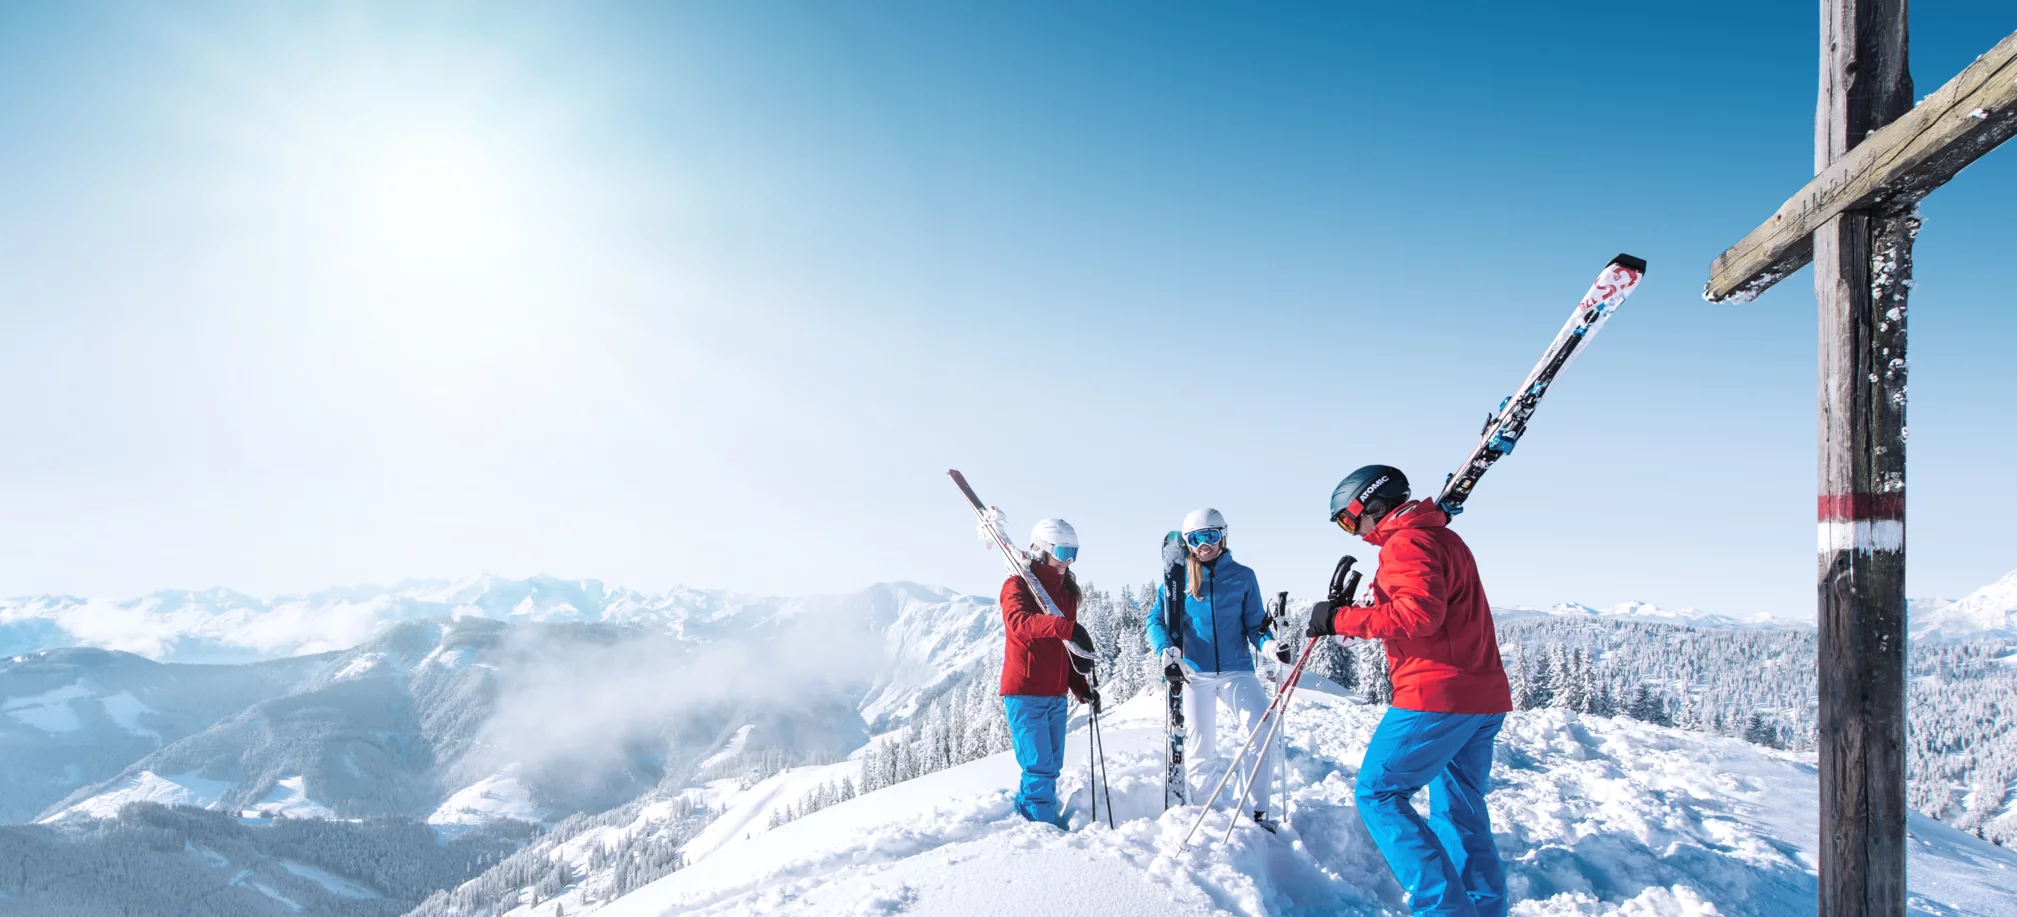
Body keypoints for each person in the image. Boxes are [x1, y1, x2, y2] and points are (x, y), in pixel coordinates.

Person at [1307, 465, 1513, 917]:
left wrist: (1340, 621)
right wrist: (1363, 614)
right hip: (1482, 697)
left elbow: (1418, 617)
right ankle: (1482, 908)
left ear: (1373, 504)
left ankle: (1443, 909)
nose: (1350, 530)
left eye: (1348, 519)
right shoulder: (1441, 538)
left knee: (1377, 793)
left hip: (1437, 695)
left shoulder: (1407, 543)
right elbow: (1425, 608)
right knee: (1459, 809)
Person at [1145, 507, 1285, 829]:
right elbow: (1154, 620)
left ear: (1223, 535)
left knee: (1262, 729)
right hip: (1195, 673)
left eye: (1210, 536)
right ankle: (1208, 814)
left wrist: (1269, 646)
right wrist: (1166, 652)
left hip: (1237, 670)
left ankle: (1254, 811)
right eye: (1195, 539)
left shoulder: (1243, 576)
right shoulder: (1177, 580)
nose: (1203, 545)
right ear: (1188, 542)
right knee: (1200, 751)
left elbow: (1254, 626)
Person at [993, 515, 1098, 828]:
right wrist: (1067, 626)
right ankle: (1042, 832)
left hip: (1055, 694)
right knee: (1038, 767)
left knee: (1051, 767)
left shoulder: (1066, 594)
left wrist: (1080, 686)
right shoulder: (1017, 585)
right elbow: (1020, 623)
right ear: (1042, 550)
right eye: (1063, 553)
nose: (1068, 562)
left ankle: (1031, 821)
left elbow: (1063, 648)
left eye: (1073, 554)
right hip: (1024, 692)